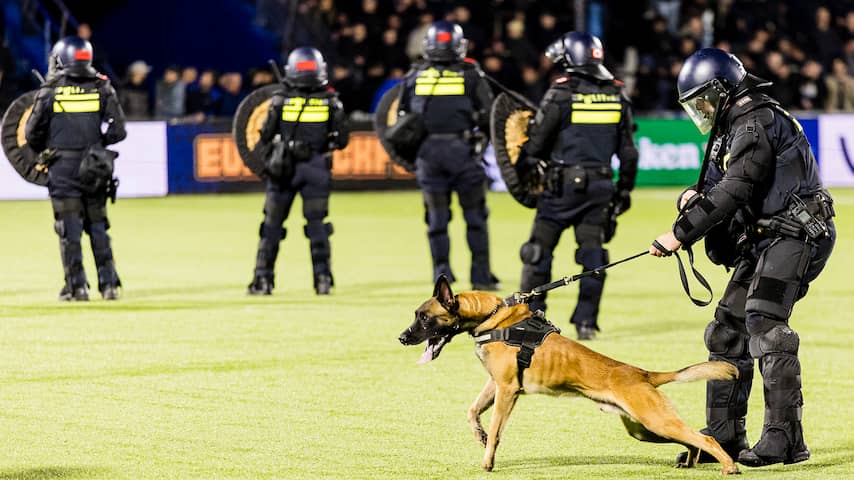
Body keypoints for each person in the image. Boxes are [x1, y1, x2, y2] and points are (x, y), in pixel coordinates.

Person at [650, 48, 835, 467]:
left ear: (723, 89)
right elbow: (716, 190)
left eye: (703, 100)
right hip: (768, 237)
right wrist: (691, 200)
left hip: (798, 234)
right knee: (727, 332)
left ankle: (785, 440)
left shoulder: (756, 119)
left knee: (765, 323)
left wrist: (679, 234)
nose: (700, 110)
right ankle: (723, 436)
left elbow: (736, 189)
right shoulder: (729, 128)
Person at [516, 32, 638, 340]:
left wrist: (521, 164)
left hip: (560, 189)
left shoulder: (560, 93)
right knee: (593, 257)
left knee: (537, 253)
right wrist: (624, 190)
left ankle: (531, 317)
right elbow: (628, 152)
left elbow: (537, 146)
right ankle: (586, 323)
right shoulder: (616, 94)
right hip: (600, 187)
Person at [396, 20, 499, 289]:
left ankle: (441, 275)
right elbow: (490, 115)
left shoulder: (415, 75)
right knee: (475, 218)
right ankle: (481, 277)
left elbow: (400, 119)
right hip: (463, 152)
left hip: (429, 156)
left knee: (437, 220)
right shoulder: (470, 74)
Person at [25, 36, 127, 301]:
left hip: (63, 168)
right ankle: (109, 286)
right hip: (94, 168)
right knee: (98, 225)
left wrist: (46, 148)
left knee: (68, 229)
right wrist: (97, 145)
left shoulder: (51, 90)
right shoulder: (102, 86)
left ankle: (77, 287)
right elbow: (119, 130)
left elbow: (31, 132)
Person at [247, 47, 348, 295]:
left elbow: (267, 135)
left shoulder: (280, 100)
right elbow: (342, 139)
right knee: (317, 227)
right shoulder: (331, 101)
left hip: (283, 168)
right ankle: (323, 280)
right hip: (315, 168)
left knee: (271, 226)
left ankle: (263, 280)